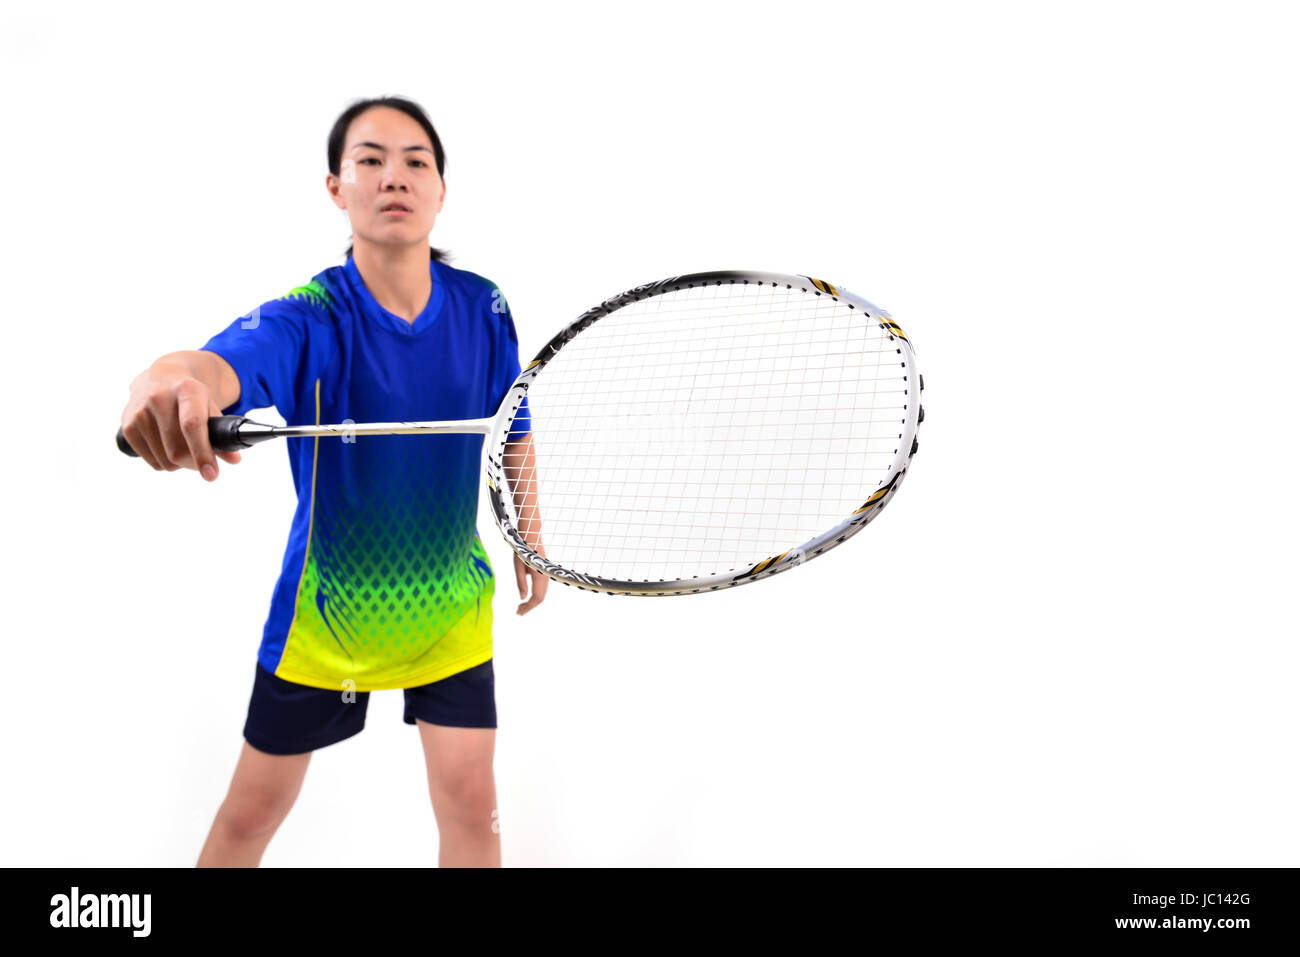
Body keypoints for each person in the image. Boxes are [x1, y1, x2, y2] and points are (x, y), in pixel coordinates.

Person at [118, 96, 547, 867]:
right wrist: (166, 377)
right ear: (335, 188)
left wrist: (531, 532)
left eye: (417, 160)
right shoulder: (310, 315)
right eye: (371, 160)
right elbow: (214, 367)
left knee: (474, 809)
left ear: (442, 190)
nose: (396, 177)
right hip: (328, 616)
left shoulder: (485, 305)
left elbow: (513, 422)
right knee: (250, 815)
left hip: (449, 605)